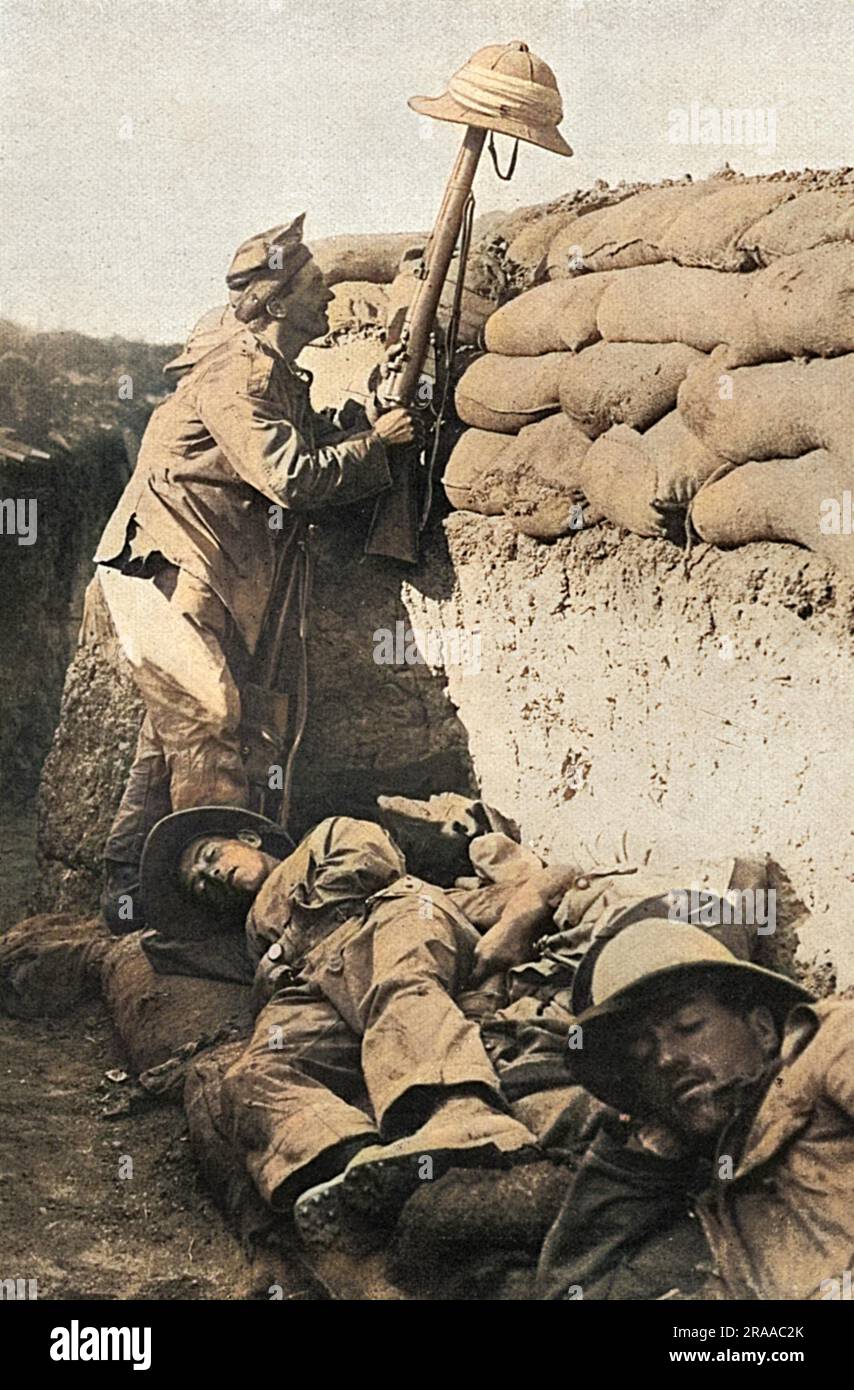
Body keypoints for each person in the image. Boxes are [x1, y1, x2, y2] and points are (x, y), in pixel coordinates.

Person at [94, 214, 416, 930]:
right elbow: (289, 475)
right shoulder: (237, 372)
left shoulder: (272, 374)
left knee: (171, 739)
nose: (329, 300)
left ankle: (127, 902)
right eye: (314, 289)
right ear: (277, 304)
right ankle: (218, 925)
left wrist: (367, 421)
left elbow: (302, 436)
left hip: (199, 570)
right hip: (166, 566)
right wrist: (375, 451)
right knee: (209, 720)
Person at [140, 802, 548, 1251]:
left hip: (386, 916)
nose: (211, 877)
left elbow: (369, 860)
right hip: (314, 984)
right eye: (199, 885)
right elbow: (158, 946)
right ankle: (358, 1166)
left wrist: (283, 949)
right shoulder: (253, 934)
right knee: (249, 1076)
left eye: (211, 856)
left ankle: (471, 1121)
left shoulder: (325, 832)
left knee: (400, 992)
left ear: (249, 838)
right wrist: (271, 975)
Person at [537, 916, 854, 1300]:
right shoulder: (720, 1218)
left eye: (688, 1025)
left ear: (764, 1028)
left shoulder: (823, 1049)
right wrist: (641, 1159)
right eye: (643, 1054)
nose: (667, 1058)